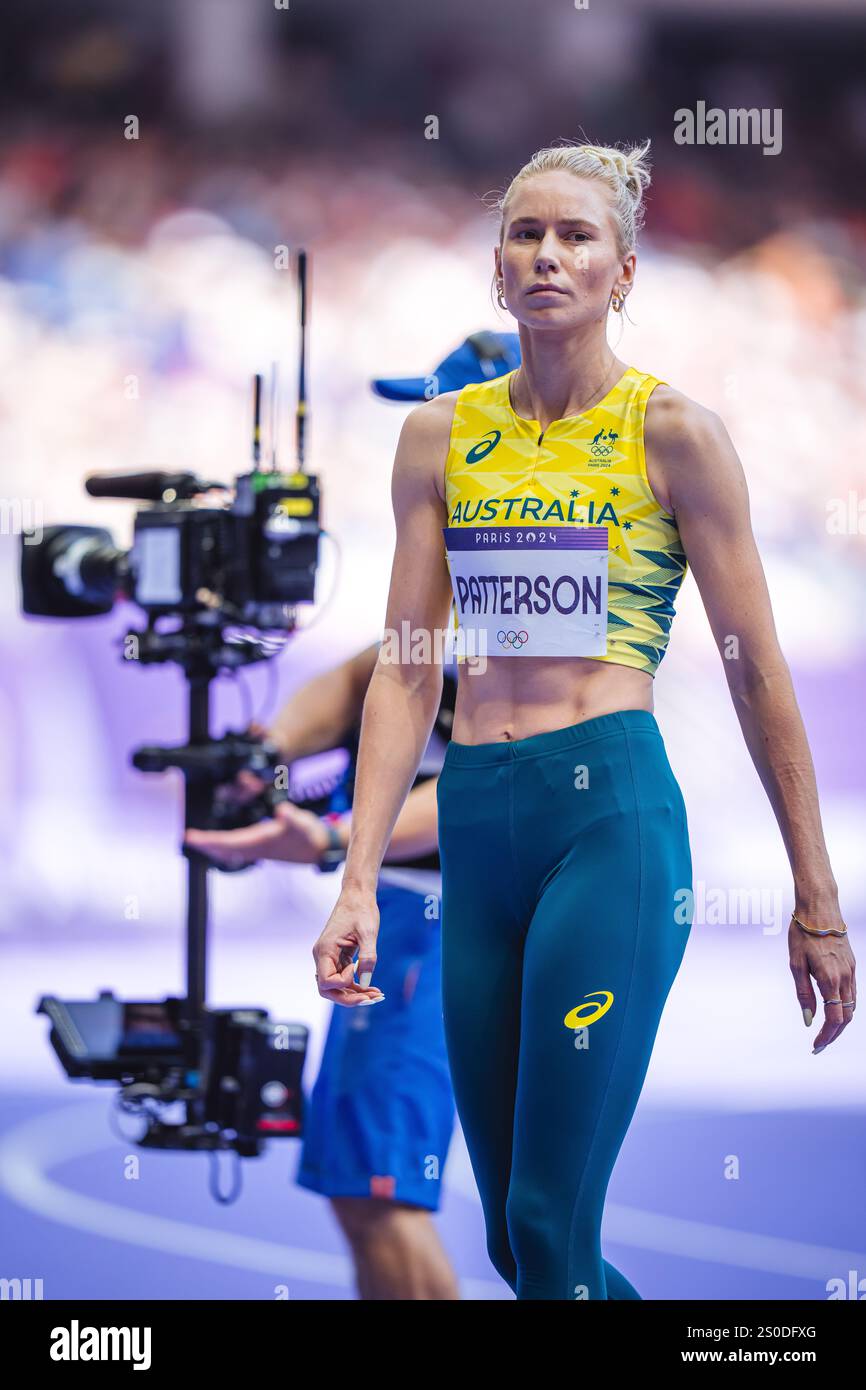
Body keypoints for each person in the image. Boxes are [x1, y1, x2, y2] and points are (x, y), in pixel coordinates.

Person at [311, 139, 856, 1301]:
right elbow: (407, 669)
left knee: (551, 1220)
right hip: (477, 824)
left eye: (574, 236)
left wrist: (815, 896)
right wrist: (356, 873)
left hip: (604, 821)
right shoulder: (437, 436)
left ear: (623, 270)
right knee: (516, 1241)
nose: (546, 255)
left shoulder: (676, 435)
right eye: (523, 234)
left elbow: (756, 669)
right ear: (494, 267)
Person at [184, 331, 520, 1300]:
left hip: (441, 914)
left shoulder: (518, 569)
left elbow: (492, 778)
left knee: (382, 1193)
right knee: (356, 1186)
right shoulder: (456, 554)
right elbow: (376, 669)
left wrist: (335, 840)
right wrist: (263, 755)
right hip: (414, 914)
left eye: (430, 412)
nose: (410, 434)